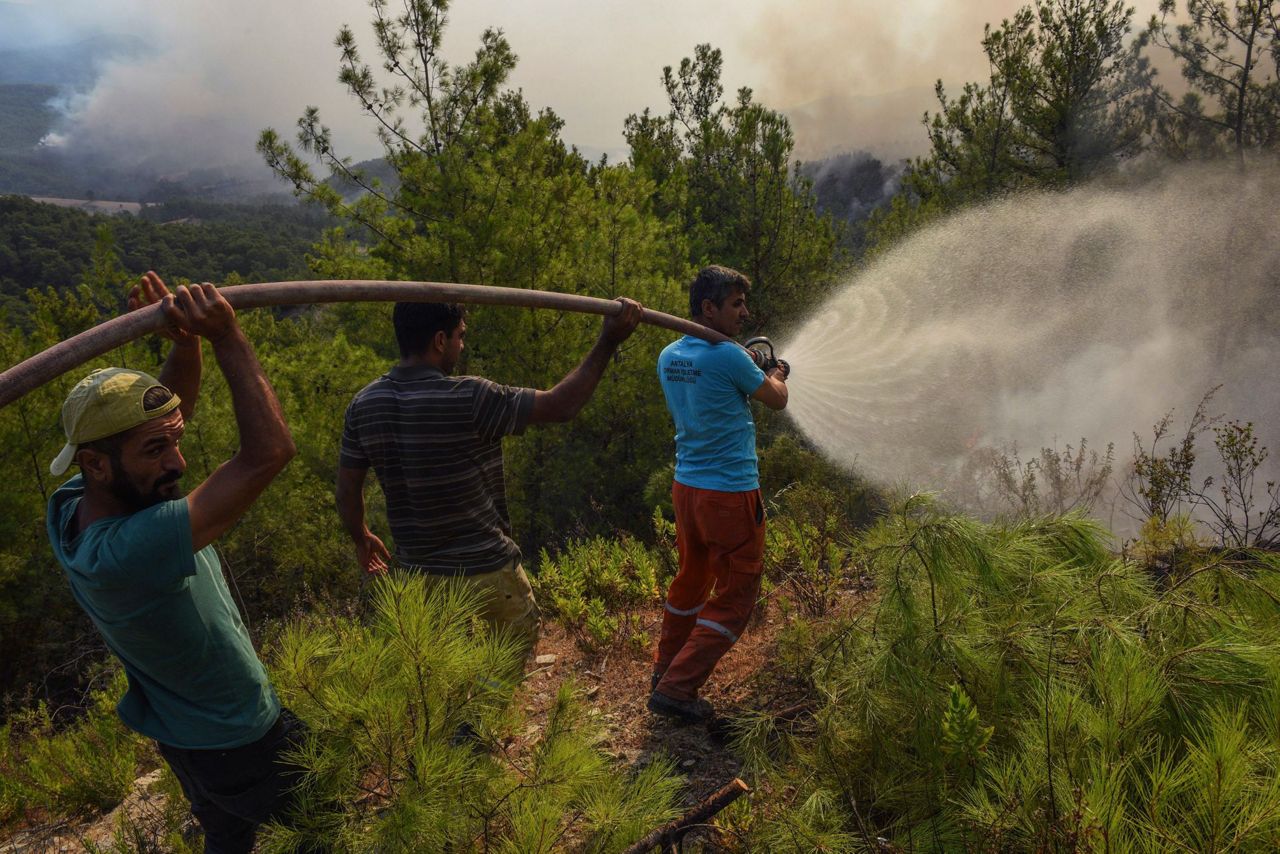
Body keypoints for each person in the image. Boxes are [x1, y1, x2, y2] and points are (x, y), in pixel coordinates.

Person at [46, 273, 303, 854]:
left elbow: (161, 418)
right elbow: (270, 452)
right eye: (157, 451)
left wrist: (184, 346)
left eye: (174, 442)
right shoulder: (129, 550)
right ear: (96, 463)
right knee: (318, 829)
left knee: (228, 837)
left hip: (188, 737)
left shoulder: (70, 505)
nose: (178, 464)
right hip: (239, 737)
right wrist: (227, 337)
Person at [336, 298, 644, 649]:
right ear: (440, 340)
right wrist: (609, 340)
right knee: (511, 653)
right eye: (460, 336)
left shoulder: (364, 405)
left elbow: (347, 493)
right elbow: (562, 405)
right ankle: (492, 704)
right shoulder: (471, 396)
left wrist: (361, 537)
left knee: (436, 681)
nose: (462, 345)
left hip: (416, 577)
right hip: (488, 571)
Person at [650, 265, 789, 723]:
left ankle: (664, 669)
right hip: (729, 494)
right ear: (708, 309)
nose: (744, 313)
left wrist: (751, 366)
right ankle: (677, 687)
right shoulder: (730, 357)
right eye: (735, 304)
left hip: (687, 489)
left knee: (690, 581)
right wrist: (778, 371)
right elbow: (776, 399)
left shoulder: (669, 355)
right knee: (735, 595)